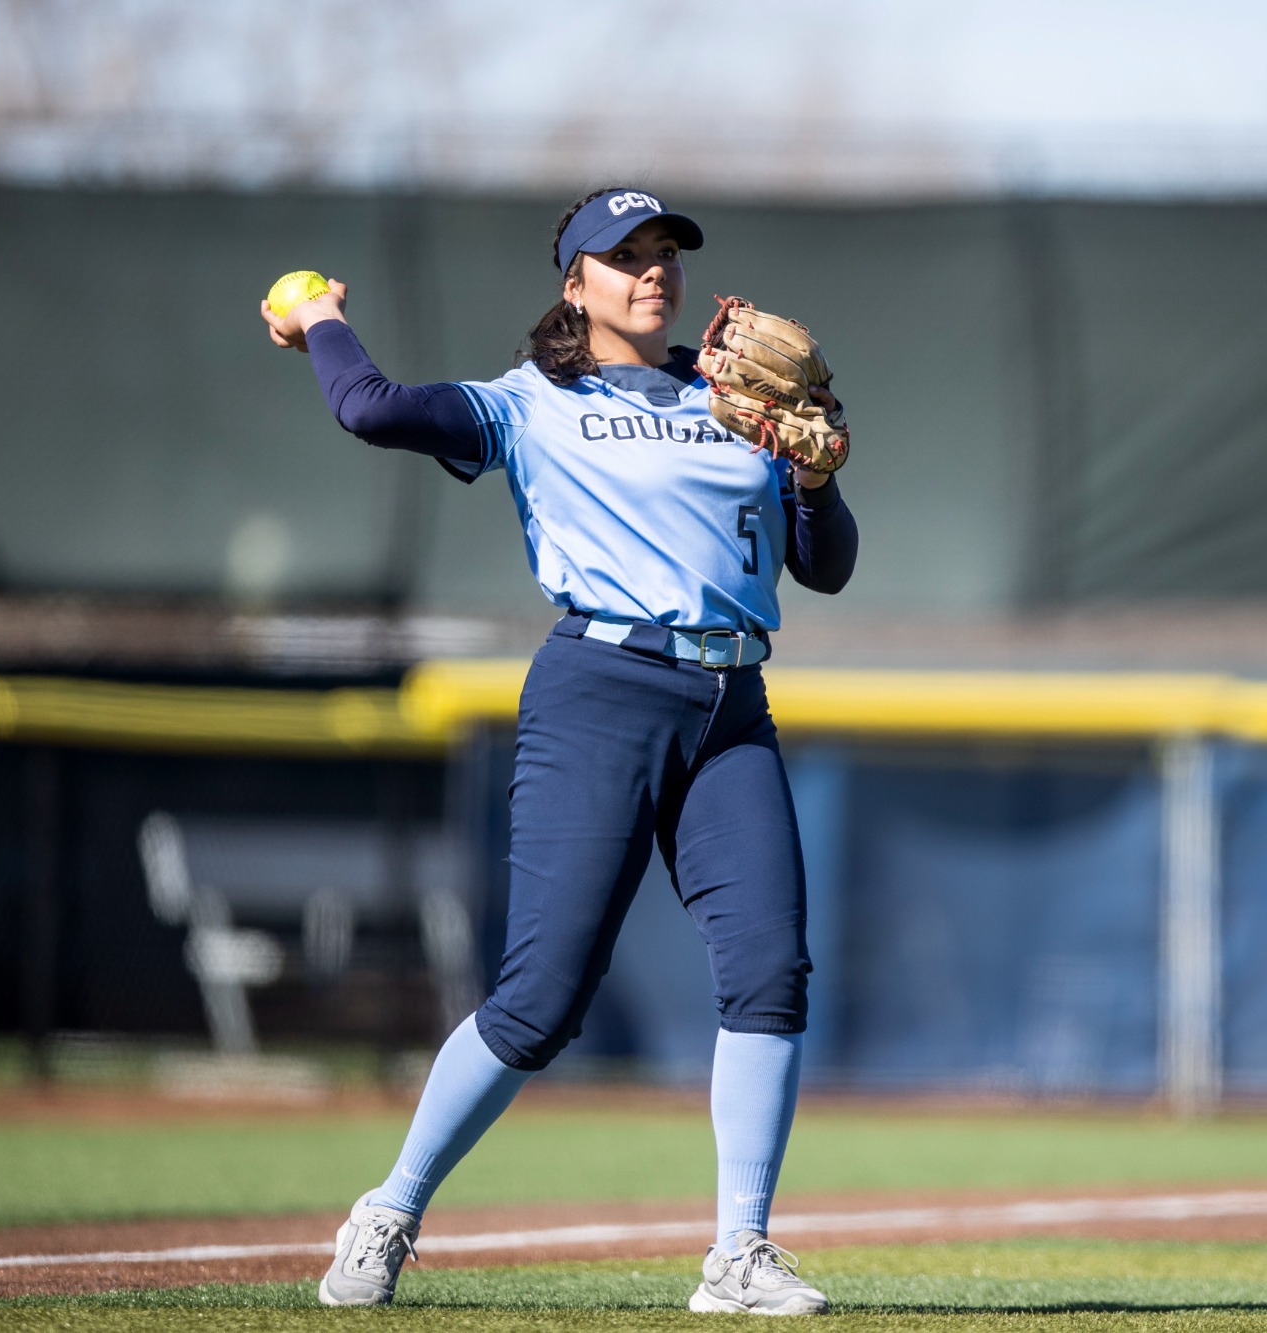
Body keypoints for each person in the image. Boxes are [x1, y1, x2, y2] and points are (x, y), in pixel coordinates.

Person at [260, 185, 858, 1316]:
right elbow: (371, 411)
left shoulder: (737, 402)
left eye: (664, 253)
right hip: (601, 691)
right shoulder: (529, 402)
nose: (652, 271)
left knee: (771, 970)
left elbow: (823, 566)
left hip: (731, 703)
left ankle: (739, 1251)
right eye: (622, 255)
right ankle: (389, 1207)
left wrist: (817, 480)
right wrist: (320, 318)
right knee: (539, 1002)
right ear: (572, 284)